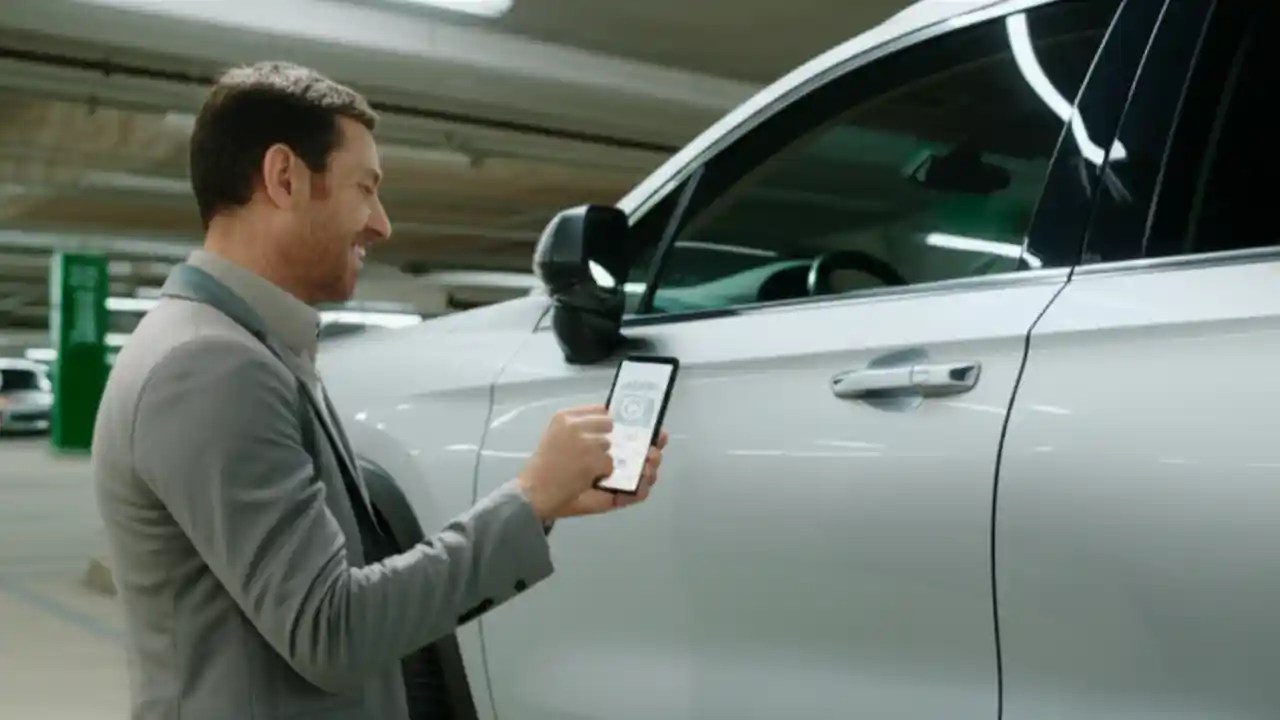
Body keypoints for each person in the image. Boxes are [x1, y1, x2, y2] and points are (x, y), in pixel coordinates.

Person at [91, 61, 667, 720]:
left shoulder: (251, 347)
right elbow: (331, 630)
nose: (381, 224)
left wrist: (541, 504)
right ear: (284, 178)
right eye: (365, 188)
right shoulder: (212, 368)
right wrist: (529, 495)